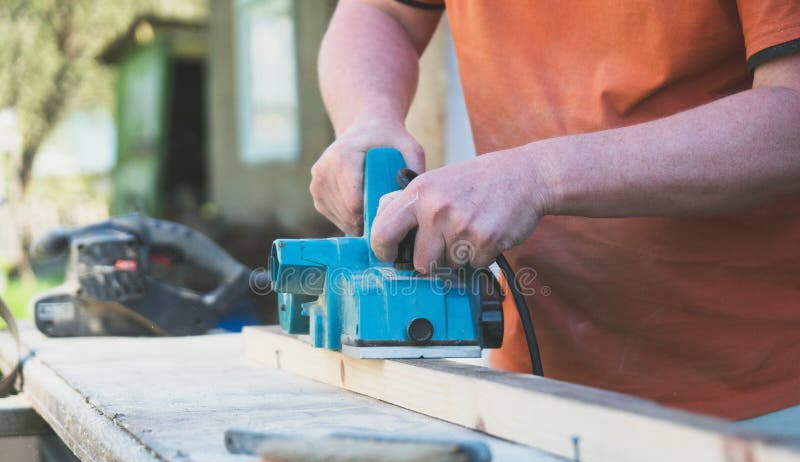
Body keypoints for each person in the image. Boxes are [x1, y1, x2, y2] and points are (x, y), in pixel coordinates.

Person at [308, 0, 800, 429]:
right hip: (531, 379)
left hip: (757, 391)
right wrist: (366, 119)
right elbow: (382, 10)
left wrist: (537, 175)